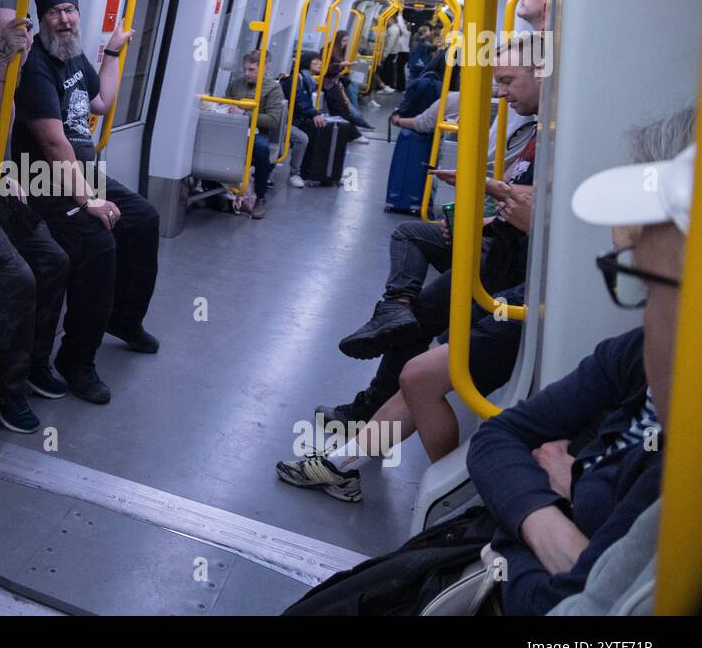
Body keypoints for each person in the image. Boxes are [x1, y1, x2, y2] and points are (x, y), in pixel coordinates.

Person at [278, 103, 693, 517]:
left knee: (419, 376)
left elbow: (572, 242)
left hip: (537, 293)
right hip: (524, 284)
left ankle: (446, 506)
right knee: (419, 375)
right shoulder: (548, 134)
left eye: (512, 79)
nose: (504, 91)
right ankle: (344, 464)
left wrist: (538, 225)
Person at [468, 125, 693, 614]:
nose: (642, 314)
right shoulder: (634, 357)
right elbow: (498, 438)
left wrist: (512, 534)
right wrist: (553, 528)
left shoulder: (679, 476)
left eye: (647, 286)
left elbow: (560, 604)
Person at [315, 36, 546, 427]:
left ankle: (368, 409)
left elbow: (534, 203)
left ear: (540, 72)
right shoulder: (541, 129)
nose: (502, 93)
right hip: (502, 243)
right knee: (410, 288)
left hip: (510, 265)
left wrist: (482, 186)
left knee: (416, 331)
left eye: (507, 81)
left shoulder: (562, 136)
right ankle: (393, 313)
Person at [11, 0, 160, 405]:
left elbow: (101, 102)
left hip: (82, 173)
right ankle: (76, 361)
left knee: (143, 218)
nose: (64, 19)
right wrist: (89, 201)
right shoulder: (36, 67)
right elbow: (54, 144)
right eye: (55, 12)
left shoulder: (73, 55)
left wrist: (112, 51)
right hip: (44, 179)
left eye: (70, 11)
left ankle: (124, 319)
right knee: (99, 245)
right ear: (42, 19)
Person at [0, 10, 70, 433]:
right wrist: (2, 63)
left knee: (55, 259)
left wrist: (8, 172)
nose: (20, 53)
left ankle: (35, 366)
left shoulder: (14, 78)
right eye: (9, 41)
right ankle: (6, 390)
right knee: (19, 276)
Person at [224, 49, 302, 218]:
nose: (246, 74)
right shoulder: (236, 84)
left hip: (256, 132)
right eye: (245, 69)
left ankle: (259, 197)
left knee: (261, 149)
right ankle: (211, 187)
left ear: (265, 68)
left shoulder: (273, 89)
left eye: (251, 70)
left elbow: (273, 120)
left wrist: (244, 114)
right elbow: (226, 103)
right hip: (233, 129)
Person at [278, 54, 330, 188]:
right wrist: (314, 114)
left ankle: (311, 173)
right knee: (302, 139)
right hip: (282, 121)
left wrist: (315, 113)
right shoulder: (297, 79)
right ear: (307, 62)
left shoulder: (306, 80)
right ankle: (294, 174)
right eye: (317, 60)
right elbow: (299, 100)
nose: (320, 63)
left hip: (294, 120)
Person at [321, 61, 370, 144]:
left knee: (349, 84)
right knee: (341, 110)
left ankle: (353, 129)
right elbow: (328, 68)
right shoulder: (330, 52)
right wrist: (340, 65)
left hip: (333, 79)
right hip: (329, 81)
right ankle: (355, 133)